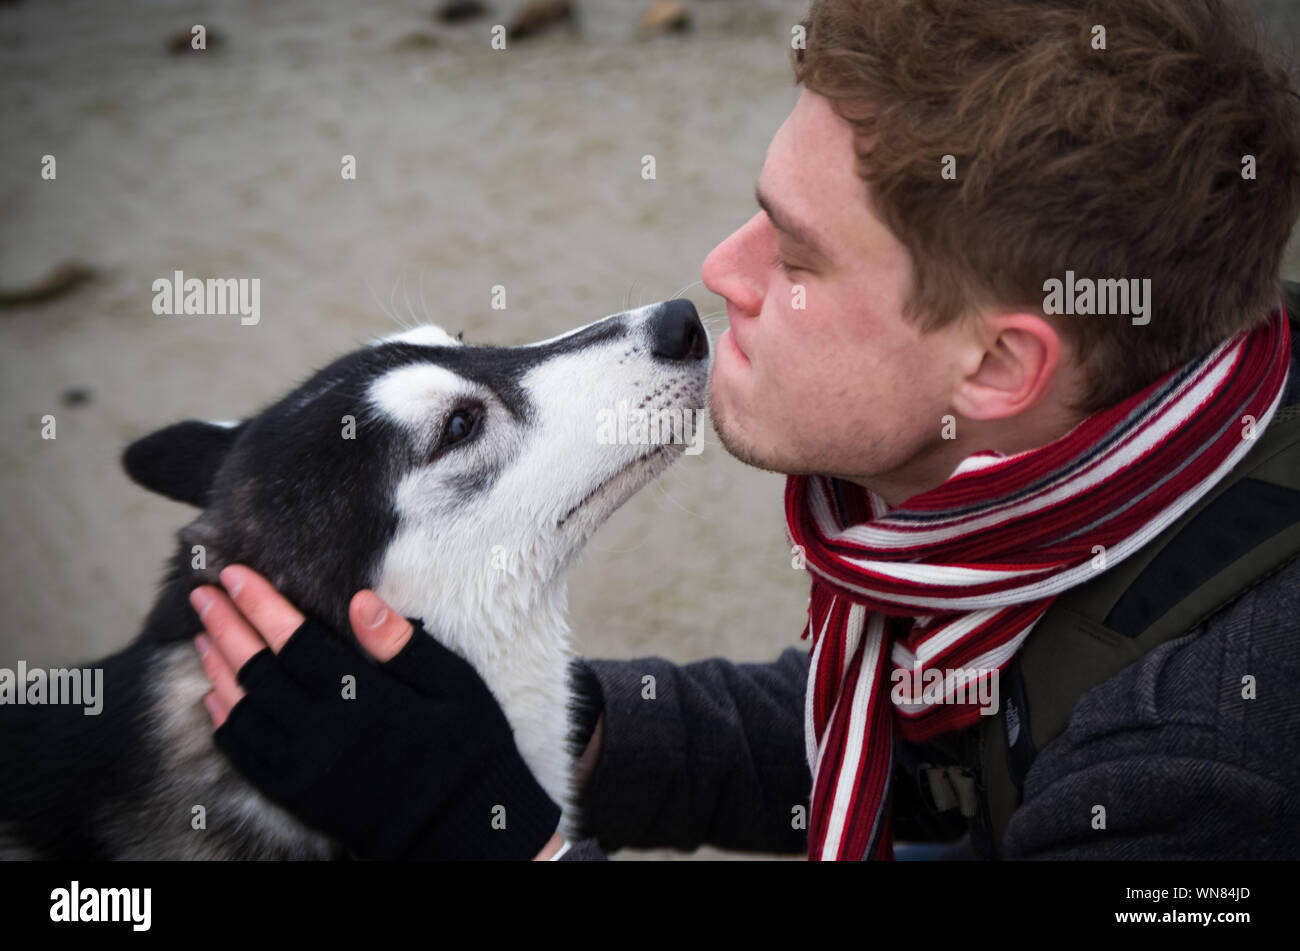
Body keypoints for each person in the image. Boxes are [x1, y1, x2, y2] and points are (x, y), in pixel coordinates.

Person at [190, 0, 1300, 860]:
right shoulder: (1161, 433)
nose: (722, 272)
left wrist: (484, 827)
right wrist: (523, 718)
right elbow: (933, 740)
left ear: (1000, 365)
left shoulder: (1192, 787)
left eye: (796, 253)